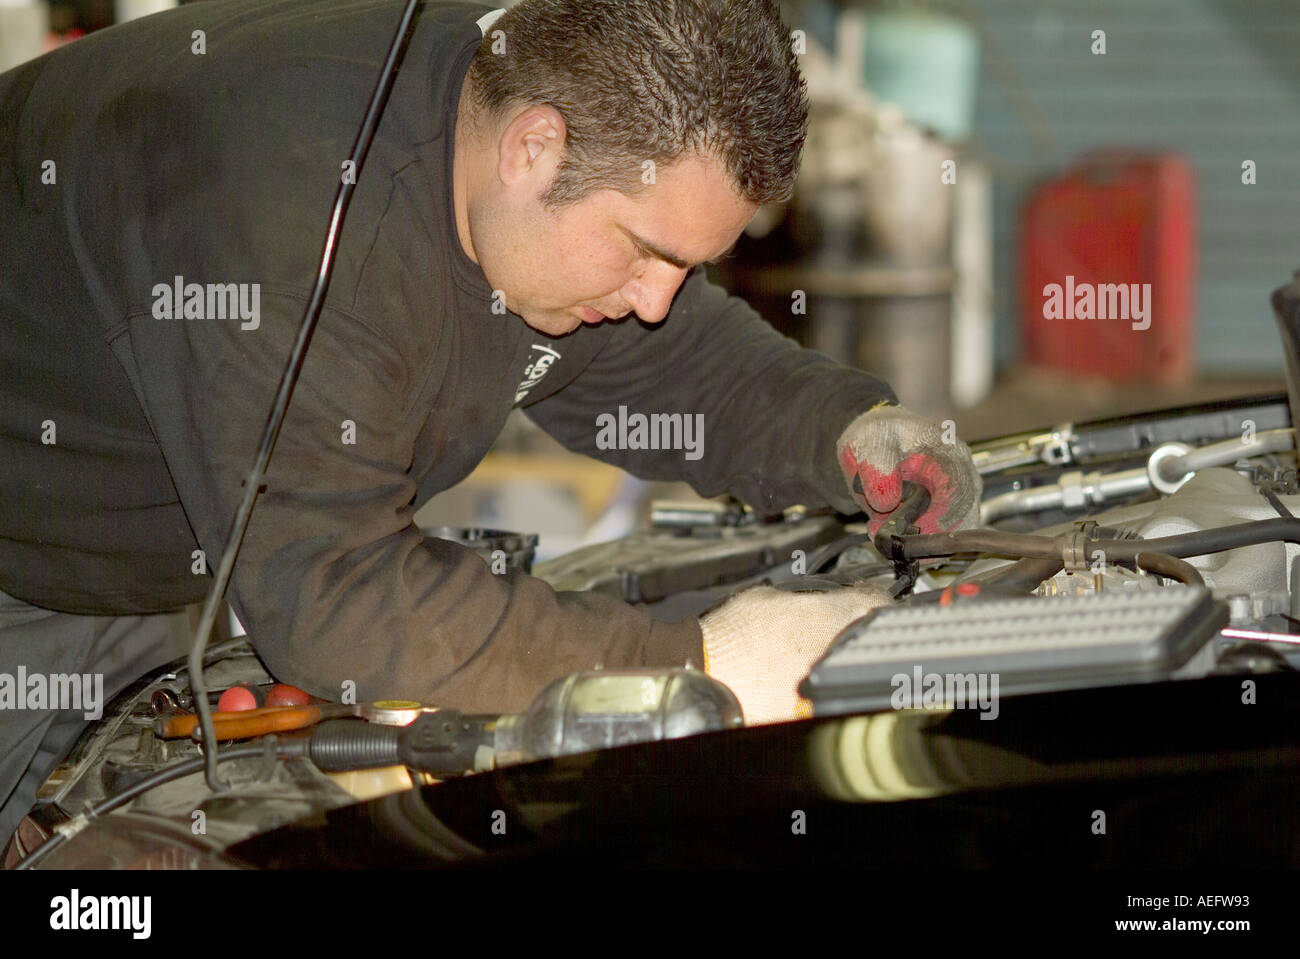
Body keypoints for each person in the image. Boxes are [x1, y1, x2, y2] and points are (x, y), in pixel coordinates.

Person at [0, 0, 980, 850]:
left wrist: (849, 432)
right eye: (645, 253)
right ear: (534, 148)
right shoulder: (302, 223)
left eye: (688, 263)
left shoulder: (507, 146)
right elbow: (334, 597)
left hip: (161, 542)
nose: (655, 298)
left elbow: (670, 357)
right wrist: (698, 661)